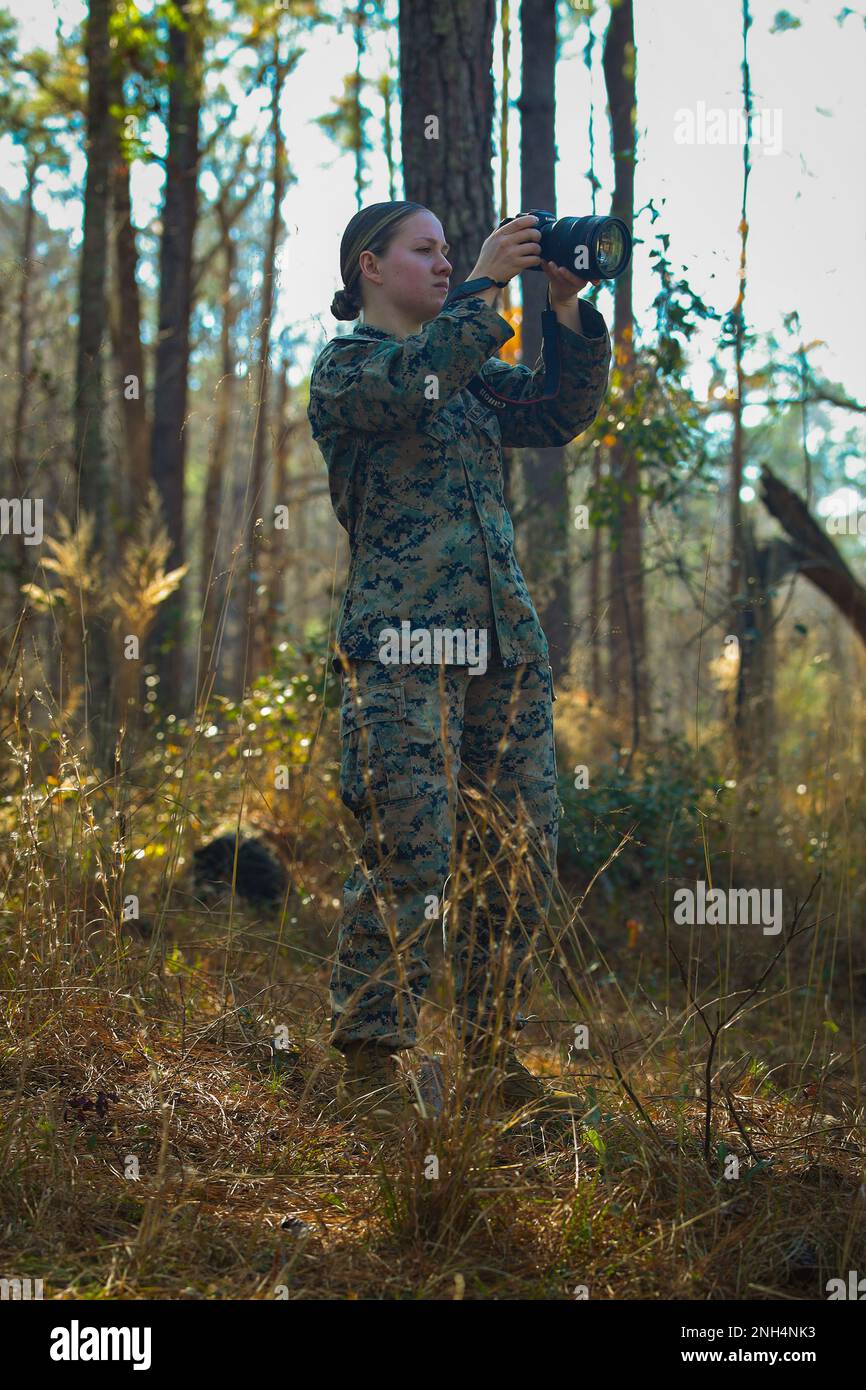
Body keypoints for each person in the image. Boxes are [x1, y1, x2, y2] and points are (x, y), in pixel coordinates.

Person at [307, 200, 611, 1129]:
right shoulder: (350, 368)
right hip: (400, 647)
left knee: (516, 851)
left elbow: (558, 411)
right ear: (370, 265)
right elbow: (415, 381)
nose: (444, 265)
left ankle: (493, 1057)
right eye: (426, 251)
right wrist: (485, 280)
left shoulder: (471, 376)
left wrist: (560, 305)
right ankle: (372, 1066)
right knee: (412, 849)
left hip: (502, 649)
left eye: (451, 254)